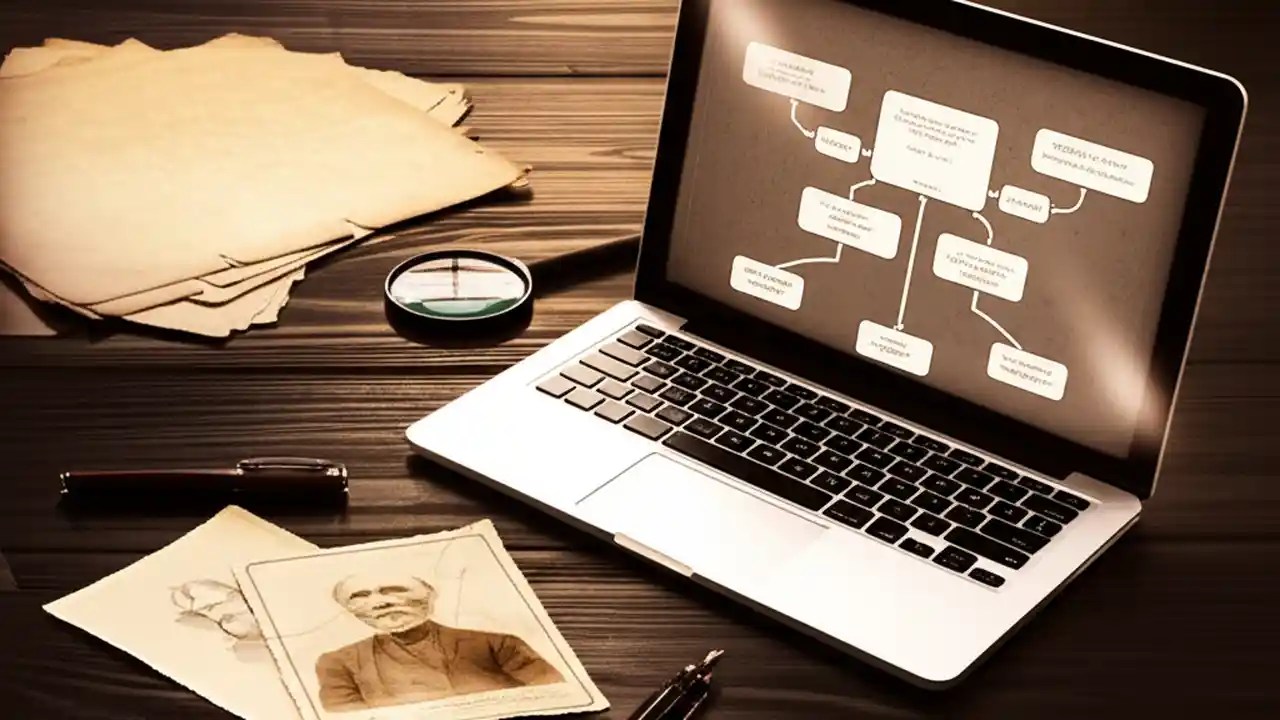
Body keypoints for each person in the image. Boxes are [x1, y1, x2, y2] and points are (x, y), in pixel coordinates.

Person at [315, 572, 564, 711]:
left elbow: (558, 698)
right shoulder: (338, 663)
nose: (380, 602)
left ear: (429, 595)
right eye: (360, 596)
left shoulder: (497, 645)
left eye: (393, 589)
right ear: (349, 609)